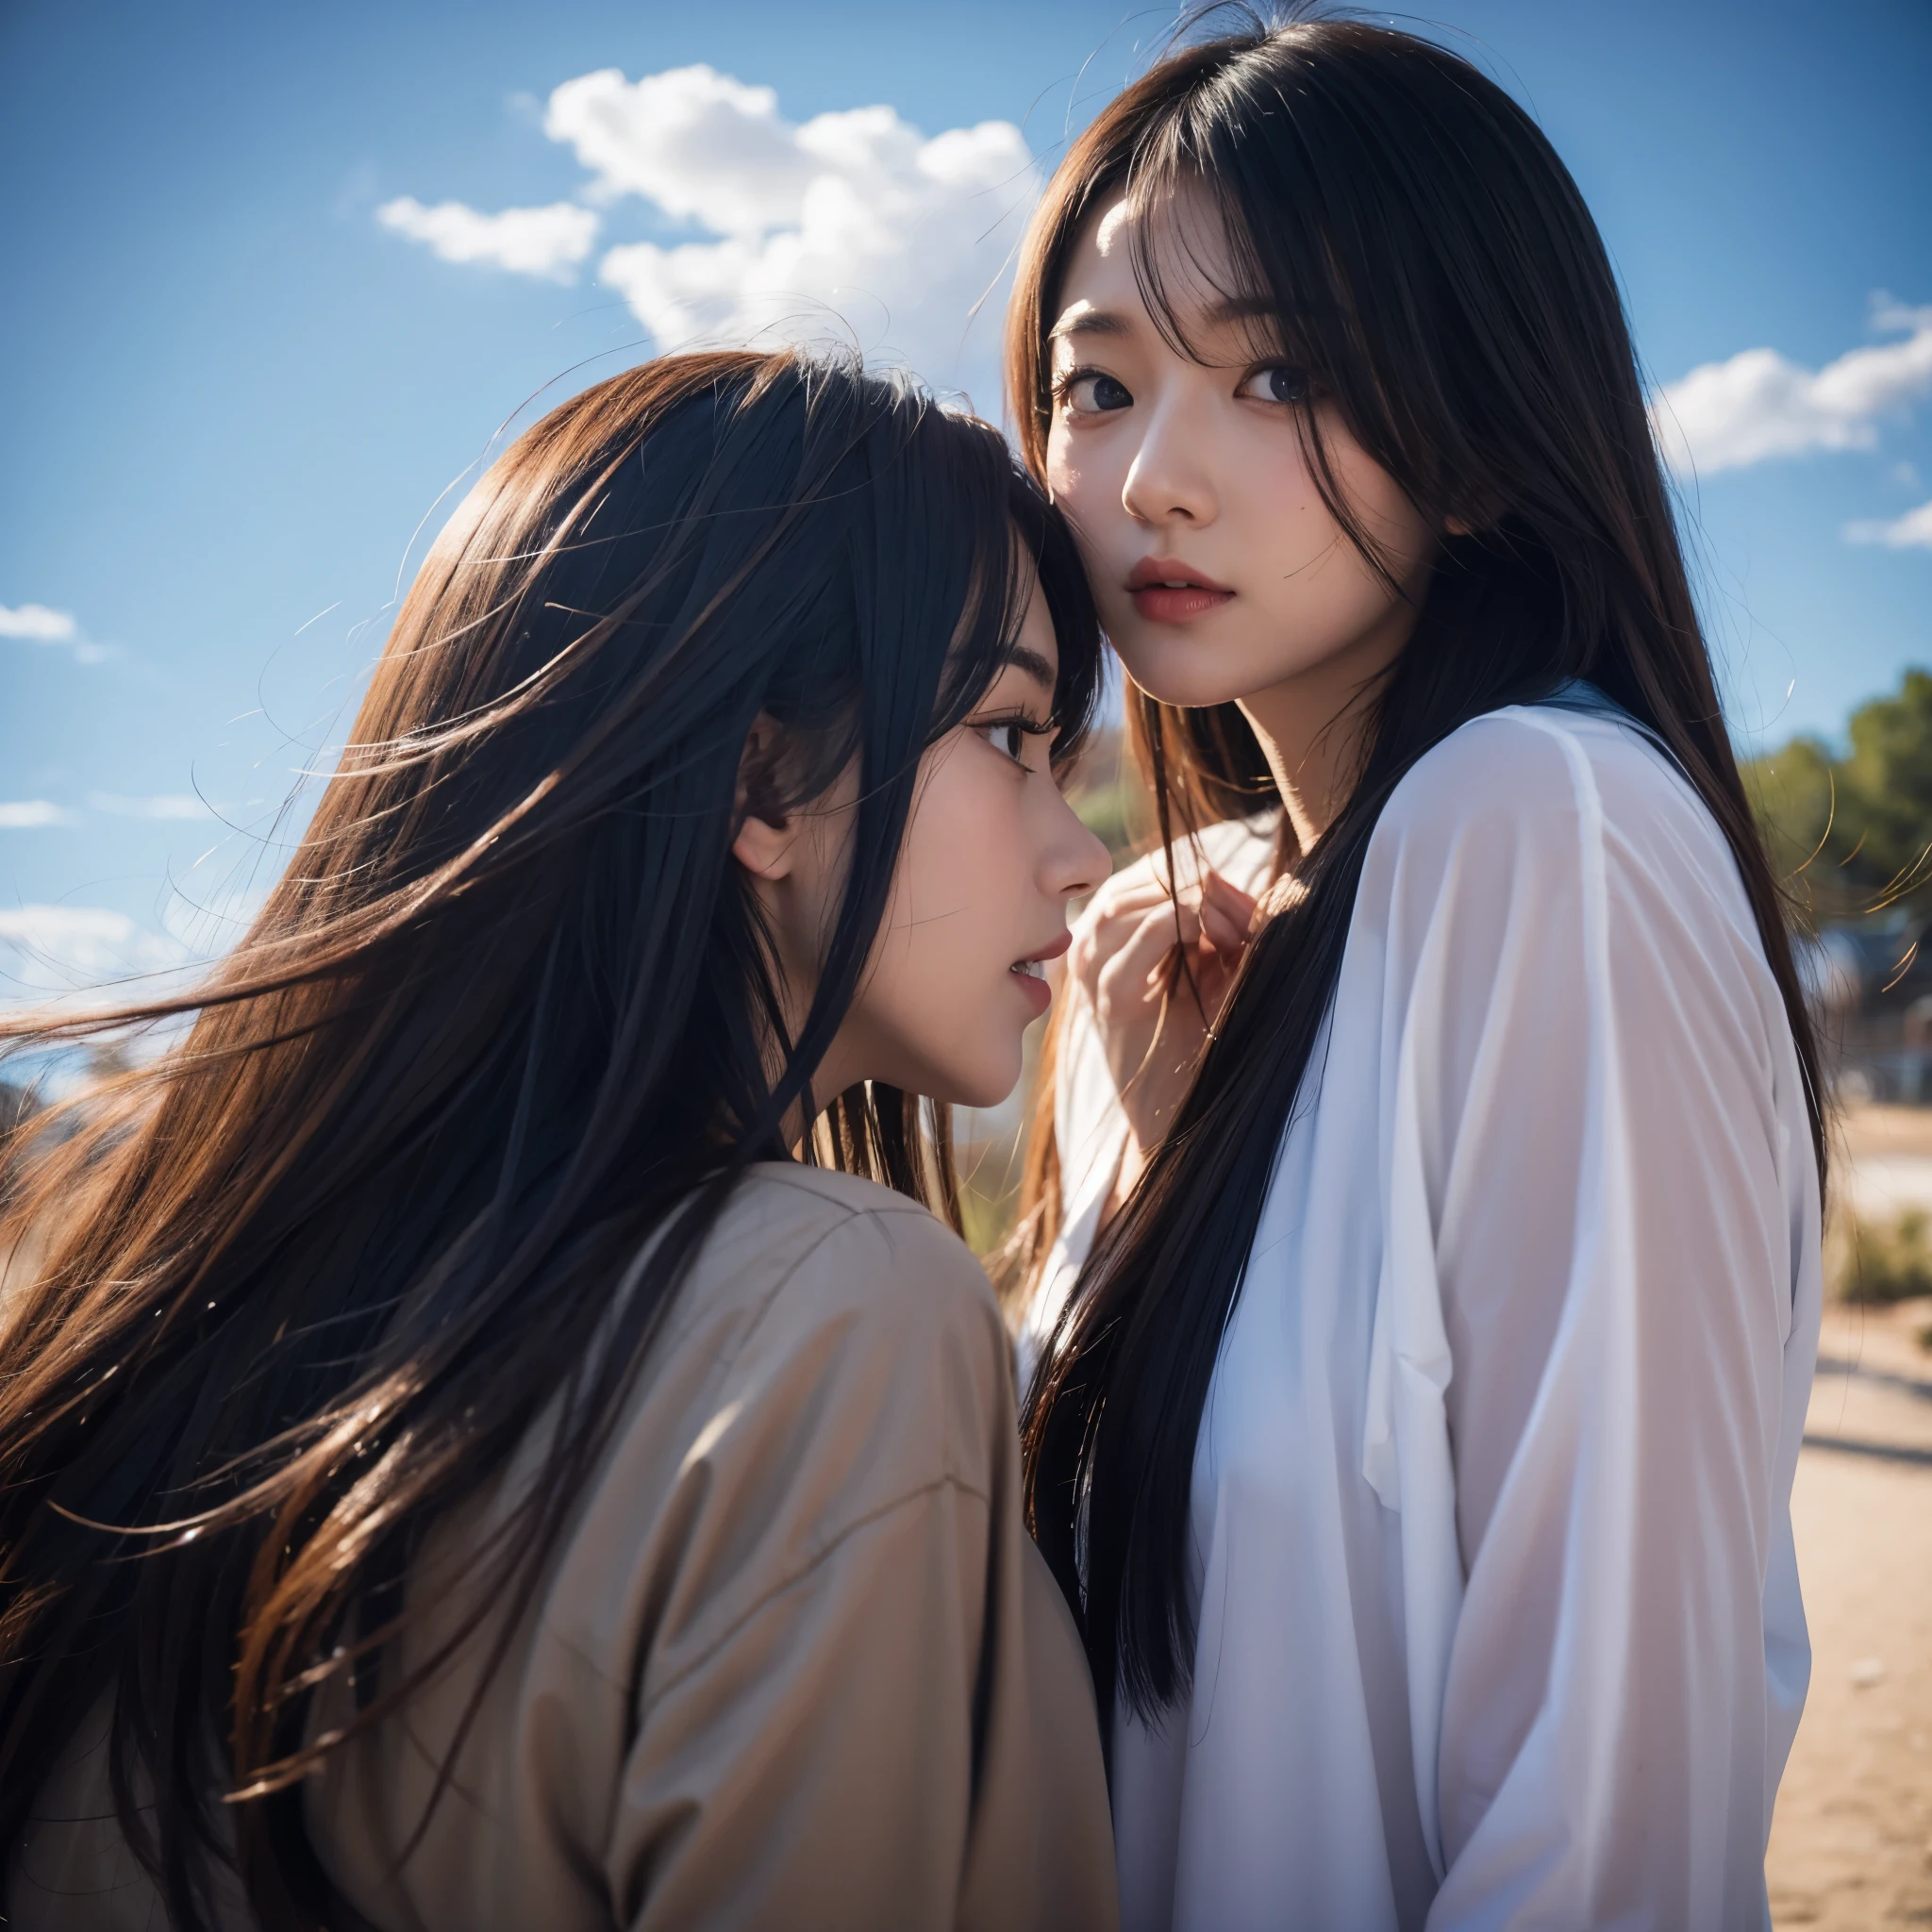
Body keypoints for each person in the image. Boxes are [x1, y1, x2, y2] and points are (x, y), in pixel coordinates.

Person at [0, 349, 1120, 1932]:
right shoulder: (833, 1310)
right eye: (1013, 736)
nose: (1079, 852)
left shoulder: (188, 1323)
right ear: (760, 777)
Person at [1004, 16, 1825, 1928]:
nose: (1152, 482)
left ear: (1474, 441)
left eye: (1277, 371)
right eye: (1097, 385)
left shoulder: (1542, 822)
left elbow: (1609, 1787)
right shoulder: (1188, 937)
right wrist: (1144, 1152)